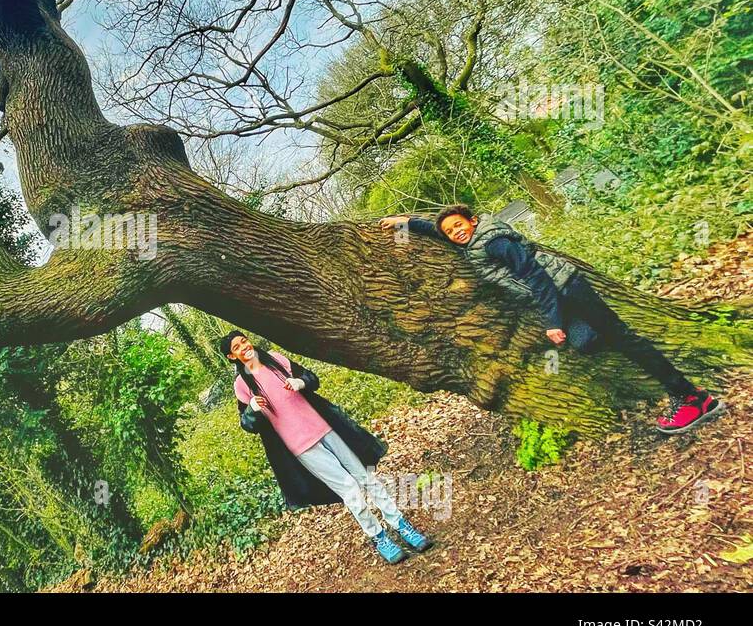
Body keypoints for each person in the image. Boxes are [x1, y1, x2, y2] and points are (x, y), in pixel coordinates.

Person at [380, 204, 725, 434]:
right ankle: (684, 390)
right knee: (586, 342)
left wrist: (553, 321)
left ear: (471, 220)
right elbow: (439, 231)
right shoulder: (473, 242)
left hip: (566, 288)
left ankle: (692, 396)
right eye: (450, 231)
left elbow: (536, 276)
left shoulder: (494, 242)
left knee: (625, 339)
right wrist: (406, 224)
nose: (455, 233)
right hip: (561, 293)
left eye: (458, 225)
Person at [218, 330, 433, 564]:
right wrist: (251, 408)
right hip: (301, 447)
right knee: (349, 489)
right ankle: (379, 537)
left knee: (365, 476)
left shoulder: (276, 359)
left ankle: (401, 525)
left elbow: (312, 378)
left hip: (326, 429)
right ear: (232, 356)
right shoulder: (241, 385)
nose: (244, 347)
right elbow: (247, 425)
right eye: (237, 347)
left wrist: (300, 382)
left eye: (244, 341)